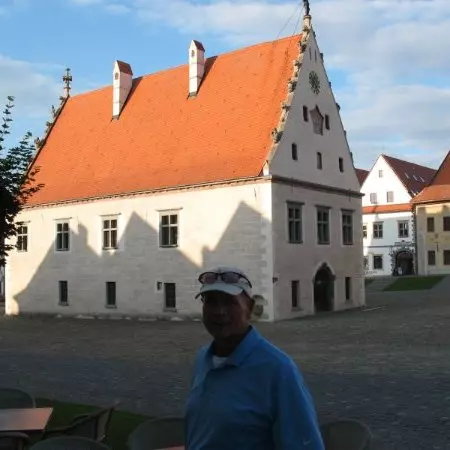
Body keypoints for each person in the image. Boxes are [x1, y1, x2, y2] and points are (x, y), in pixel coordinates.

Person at [185, 266, 324, 450]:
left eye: (229, 302)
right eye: (211, 301)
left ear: (249, 308)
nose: (219, 311)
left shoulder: (277, 370)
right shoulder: (203, 359)